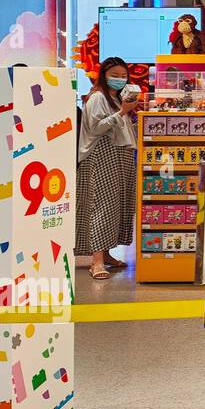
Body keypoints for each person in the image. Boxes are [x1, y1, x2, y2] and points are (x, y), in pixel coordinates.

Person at [74, 57, 139, 280]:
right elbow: (97, 127)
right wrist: (122, 112)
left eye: (124, 76)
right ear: (104, 75)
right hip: (102, 156)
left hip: (120, 155)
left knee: (118, 206)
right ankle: (97, 260)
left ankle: (108, 253)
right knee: (101, 206)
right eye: (115, 75)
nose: (120, 80)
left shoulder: (115, 98)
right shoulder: (98, 98)